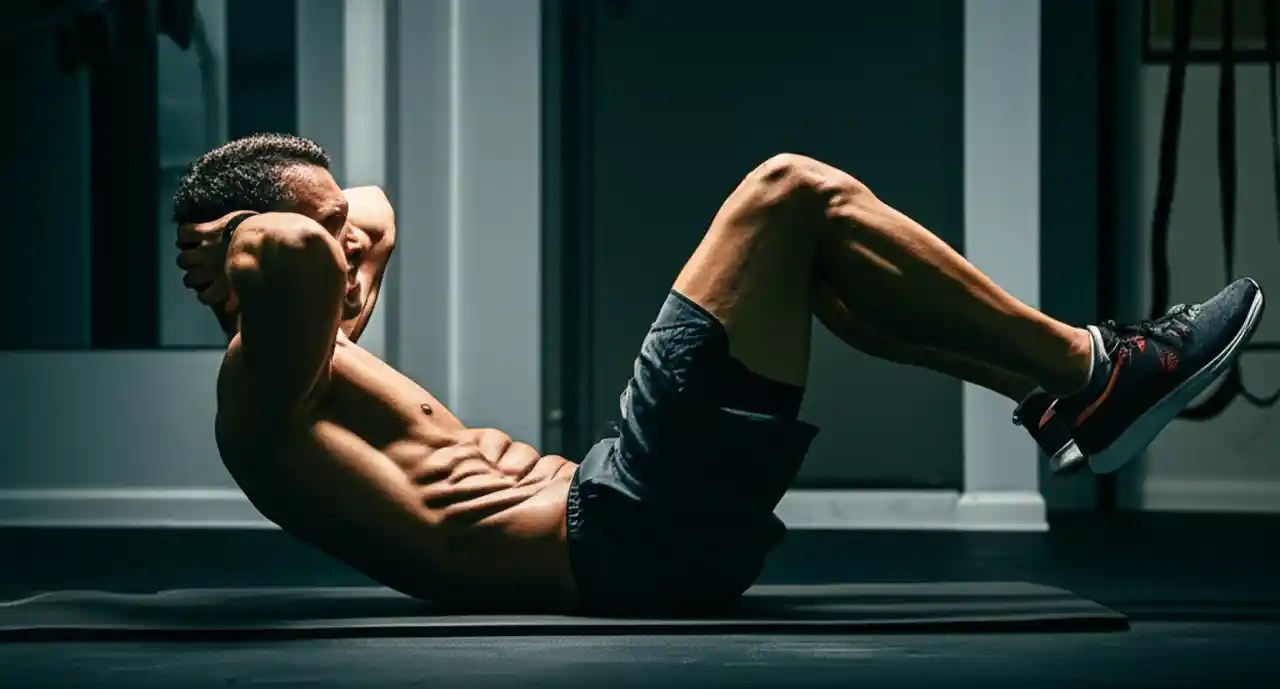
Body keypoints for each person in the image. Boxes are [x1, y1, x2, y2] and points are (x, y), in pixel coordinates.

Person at [175, 133, 1265, 616]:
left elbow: (357, 206)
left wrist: (300, 216)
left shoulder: (317, 352)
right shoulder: (261, 397)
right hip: (621, 529)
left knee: (830, 270)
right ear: (244, 252)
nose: (355, 252)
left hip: (635, 529)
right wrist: (253, 234)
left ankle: (1063, 393)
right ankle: (1093, 365)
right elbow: (306, 246)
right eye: (320, 239)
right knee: (791, 189)